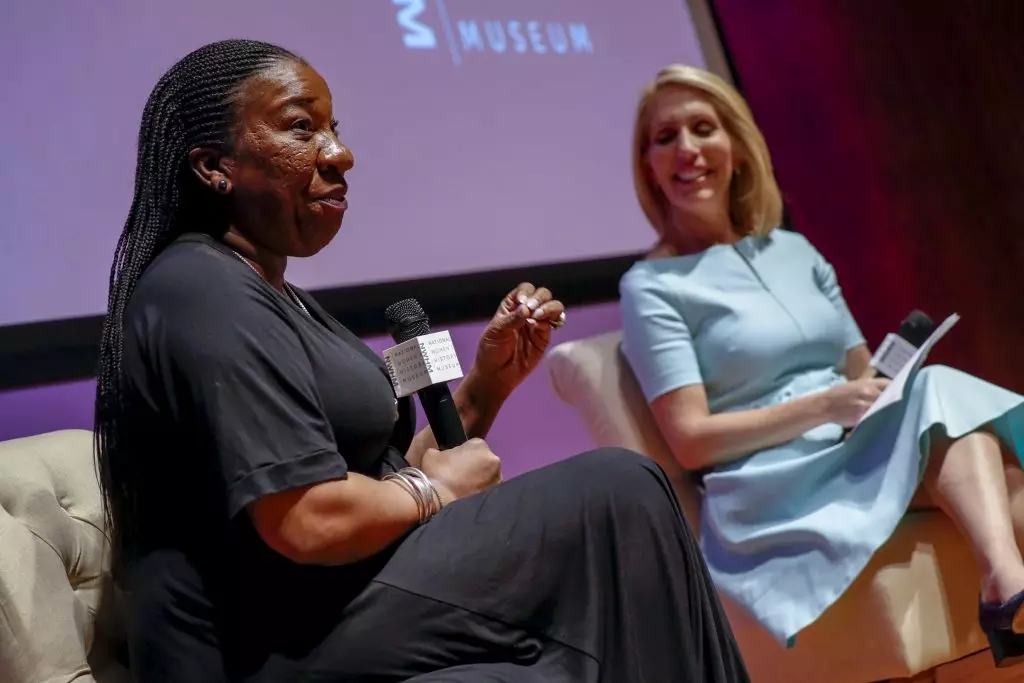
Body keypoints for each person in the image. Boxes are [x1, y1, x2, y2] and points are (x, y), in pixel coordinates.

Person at [93, 40, 749, 683]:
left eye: (334, 129)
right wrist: (437, 490)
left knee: (616, 525)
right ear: (214, 166)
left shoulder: (273, 292)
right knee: (620, 490)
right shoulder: (199, 290)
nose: (340, 153)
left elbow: (383, 480)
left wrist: (488, 386)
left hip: (337, 600)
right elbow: (308, 518)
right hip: (266, 642)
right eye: (301, 129)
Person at [619, 64, 1024, 666]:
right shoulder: (651, 285)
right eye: (664, 138)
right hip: (773, 481)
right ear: (648, 167)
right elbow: (690, 441)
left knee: (1000, 470)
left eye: (703, 129)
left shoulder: (793, 248)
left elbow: (863, 373)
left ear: (735, 145)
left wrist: (871, 394)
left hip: (852, 443)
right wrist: (826, 404)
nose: (687, 150)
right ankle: (1008, 587)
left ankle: (1007, 586)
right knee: (964, 427)